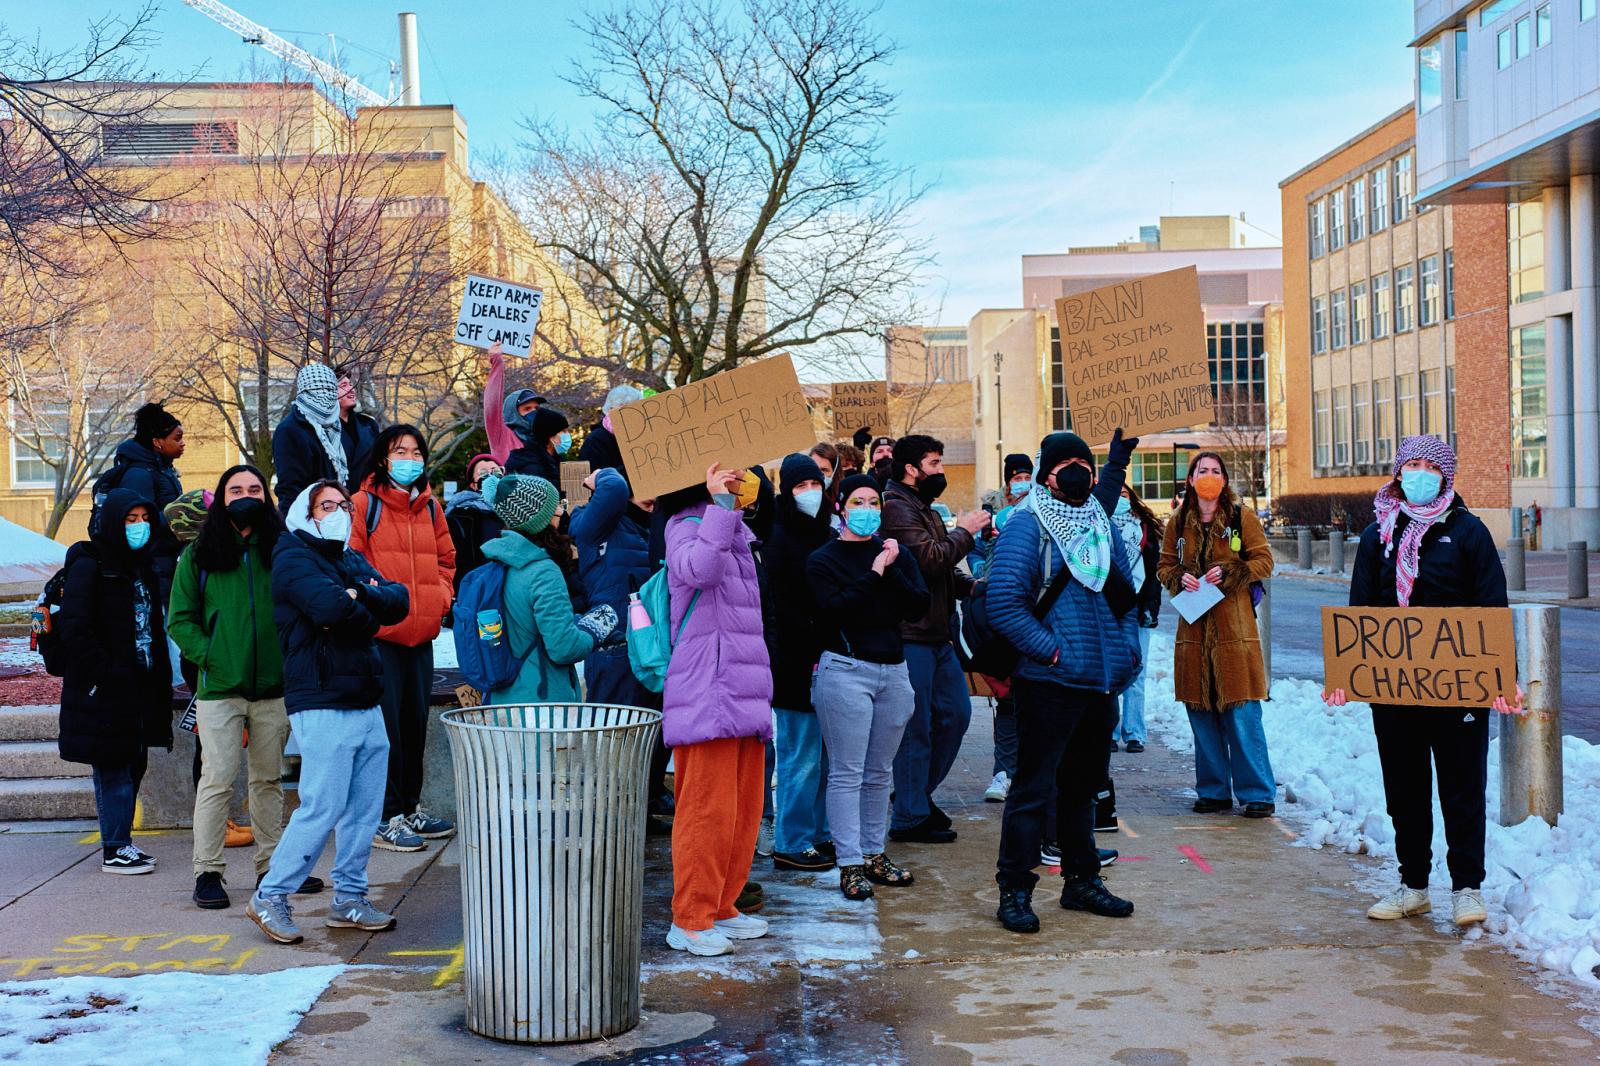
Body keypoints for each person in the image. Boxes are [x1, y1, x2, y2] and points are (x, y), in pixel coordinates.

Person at [1328, 436, 1520, 928]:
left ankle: (1467, 888)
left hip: (1458, 688)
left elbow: (1491, 608)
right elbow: (1362, 615)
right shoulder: (1378, 537)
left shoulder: (1469, 532)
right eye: (1409, 464)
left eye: (1426, 466)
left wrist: (1501, 678)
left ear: (1445, 475)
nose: (1416, 473)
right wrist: (1347, 675)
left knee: (1462, 787)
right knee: (1405, 789)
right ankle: (1413, 885)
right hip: (1394, 689)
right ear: (1397, 473)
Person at [988, 429, 1143, 933]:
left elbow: (1124, 597)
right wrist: (1054, 653)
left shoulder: (1101, 525)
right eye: (1066, 462)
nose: (1077, 470)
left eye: (1085, 461)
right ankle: (1014, 887)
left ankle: (1081, 881)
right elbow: (1005, 605)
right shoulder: (1026, 526)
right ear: (1045, 475)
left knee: (1083, 789)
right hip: (1049, 682)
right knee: (1033, 790)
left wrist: (1124, 654)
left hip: (1098, 684)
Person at [247, 481, 411, 944]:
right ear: (307, 512)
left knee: (364, 808)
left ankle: (350, 898)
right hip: (320, 698)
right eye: (327, 505)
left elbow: (398, 601)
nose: (338, 511)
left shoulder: (347, 557)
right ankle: (271, 894)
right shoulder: (293, 555)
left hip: (364, 696)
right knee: (322, 805)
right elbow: (330, 606)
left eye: (343, 504)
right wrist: (363, 600)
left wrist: (360, 596)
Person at [167, 466, 306, 910]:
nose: (246, 496)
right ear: (222, 498)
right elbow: (180, 619)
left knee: (268, 781)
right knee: (218, 779)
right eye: (235, 489)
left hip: (273, 688)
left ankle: (273, 868)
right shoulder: (199, 555)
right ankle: (207, 871)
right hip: (220, 690)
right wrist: (212, 655)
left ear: (266, 496)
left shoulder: (283, 549)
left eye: (254, 489)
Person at [659, 463, 774, 957]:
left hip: (742, 687)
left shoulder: (737, 528)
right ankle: (689, 918)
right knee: (705, 812)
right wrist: (720, 505)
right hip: (708, 687)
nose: (741, 478)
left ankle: (723, 905)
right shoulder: (684, 526)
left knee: (741, 812)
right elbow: (701, 572)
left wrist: (729, 510)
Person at [807, 473, 928, 900]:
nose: (866, 510)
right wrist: (875, 573)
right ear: (840, 506)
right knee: (847, 772)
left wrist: (892, 567)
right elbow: (834, 612)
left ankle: (875, 852)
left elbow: (919, 605)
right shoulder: (823, 559)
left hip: (893, 671)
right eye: (857, 502)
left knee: (879, 772)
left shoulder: (895, 553)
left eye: (873, 502)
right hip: (845, 669)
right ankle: (849, 862)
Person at [350, 425, 457, 852]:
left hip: (422, 634)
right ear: (382, 458)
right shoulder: (362, 505)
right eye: (400, 451)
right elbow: (351, 562)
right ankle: (383, 815)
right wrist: (375, 603)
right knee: (386, 729)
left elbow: (448, 559)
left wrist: (440, 597)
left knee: (414, 725)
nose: (409, 458)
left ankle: (408, 806)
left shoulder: (431, 508)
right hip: (382, 635)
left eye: (416, 451)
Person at [56, 488, 172, 875]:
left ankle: (121, 842)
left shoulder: (142, 566)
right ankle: (116, 847)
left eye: (144, 519)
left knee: (132, 762)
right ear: (112, 521)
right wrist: (107, 673)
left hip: (140, 684)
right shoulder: (92, 564)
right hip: (105, 687)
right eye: (130, 519)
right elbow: (75, 628)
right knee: (114, 766)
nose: (139, 527)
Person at [881, 434, 990, 844]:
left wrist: (972, 586)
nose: (941, 471)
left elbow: (940, 567)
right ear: (912, 468)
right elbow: (929, 559)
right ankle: (909, 814)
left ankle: (914, 798)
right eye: (935, 463)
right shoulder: (895, 507)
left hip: (937, 634)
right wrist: (964, 532)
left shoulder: (919, 506)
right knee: (917, 728)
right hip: (912, 635)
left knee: (955, 716)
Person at [1156, 451, 1276, 818]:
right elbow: (1164, 566)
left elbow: (1264, 562)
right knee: (1202, 716)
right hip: (1193, 632)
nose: (1208, 476)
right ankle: (1213, 791)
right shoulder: (1177, 523)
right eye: (1201, 470)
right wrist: (1180, 578)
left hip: (1234, 633)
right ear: (1190, 479)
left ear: (1224, 479)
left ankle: (1257, 792)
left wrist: (1230, 570)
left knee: (1242, 715)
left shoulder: (1242, 518)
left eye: (1215, 471)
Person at [568, 465, 669, 821]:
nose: (652, 494)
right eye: (644, 483)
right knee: (614, 743)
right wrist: (603, 476)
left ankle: (644, 808)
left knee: (653, 738)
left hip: (652, 650)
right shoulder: (594, 523)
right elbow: (611, 489)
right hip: (614, 650)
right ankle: (610, 821)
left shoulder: (655, 527)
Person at [481, 475, 619, 702]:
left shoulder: (499, 564)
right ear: (540, 517)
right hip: (542, 705)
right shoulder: (543, 572)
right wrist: (593, 631)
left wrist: (574, 622)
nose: (561, 511)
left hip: (501, 702)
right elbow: (563, 648)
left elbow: (526, 627)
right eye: (557, 505)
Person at [762, 454, 836, 871]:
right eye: (799, 486)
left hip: (828, 659)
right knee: (799, 757)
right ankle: (792, 840)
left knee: (824, 757)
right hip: (793, 664)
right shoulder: (778, 539)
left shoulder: (826, 533)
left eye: (815, 483)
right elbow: (779, 605)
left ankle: (818, 833)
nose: (810, 492)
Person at [1110, 483, 1163, 754]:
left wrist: (1151, 608)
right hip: (1110, 610)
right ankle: (1110, 730)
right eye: (1115, 495)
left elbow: (1155, 573)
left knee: (1137, 673)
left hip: (1139, 608)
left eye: (1124, 494)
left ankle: (1135, 733)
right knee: (1111, 672)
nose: (1120, 499)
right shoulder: (1100, 526)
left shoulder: (1145, 529)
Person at [274, 363, 351, 517]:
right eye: (318, 390)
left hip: (334, 515)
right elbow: (289, 488)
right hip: (308, 520)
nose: (325, 397)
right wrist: (299, 528)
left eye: (330, 390)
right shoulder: (290, 430)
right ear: (304, 392)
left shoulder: (332, 428)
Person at [445, 455, 506, 594]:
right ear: (473, 484)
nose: (491, 477)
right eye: (483, 473)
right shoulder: (460, 515)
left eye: (496, 472)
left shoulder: (517, 510)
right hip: (476, 590)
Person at [579, 384, 643, 474]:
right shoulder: (595, 441)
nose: (631, 415)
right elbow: (594, 478)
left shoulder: (640, 435)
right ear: (610, 410)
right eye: (625, 409)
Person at [337, 375, 381, 484]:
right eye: (344, 385)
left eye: (351, 385)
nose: (352, 389)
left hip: (369, 493)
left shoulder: (369, 423)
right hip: (340, 495)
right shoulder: (323, 428)